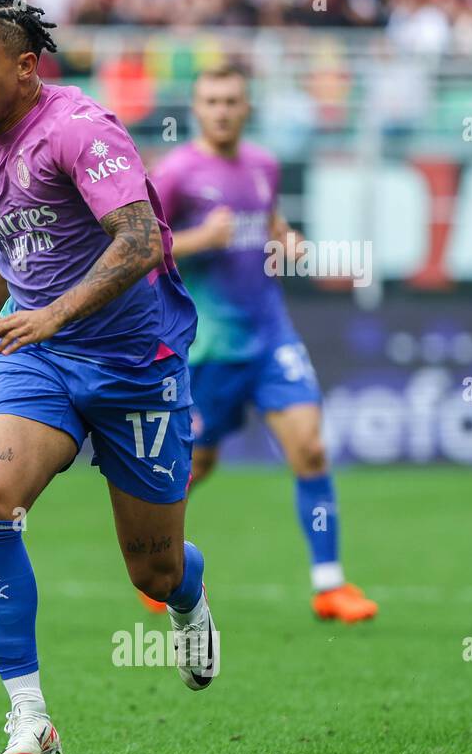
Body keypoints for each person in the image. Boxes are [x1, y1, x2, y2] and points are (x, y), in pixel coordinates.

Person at [0, 0, 216, 754]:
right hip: (39, 358)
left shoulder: (80, 129)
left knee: (153, 571)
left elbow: (137, 240)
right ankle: (29, 712)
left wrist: (55, 312)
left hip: (137, 363)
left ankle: (189, 600)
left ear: (26, 67)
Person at [150, 65, 375, 623]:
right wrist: (203, 237)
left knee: (312, 450)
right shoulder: (177, 172)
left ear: (247, 107)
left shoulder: (264, 165)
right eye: (211, 100)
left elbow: (270, 222)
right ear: (196, 108)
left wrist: (287, 239)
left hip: (272, 337)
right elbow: (142, 247)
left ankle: (329, 585)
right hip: (209, 349)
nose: (222, 110)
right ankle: (158, 567)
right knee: (196, 466)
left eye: (231, 100)